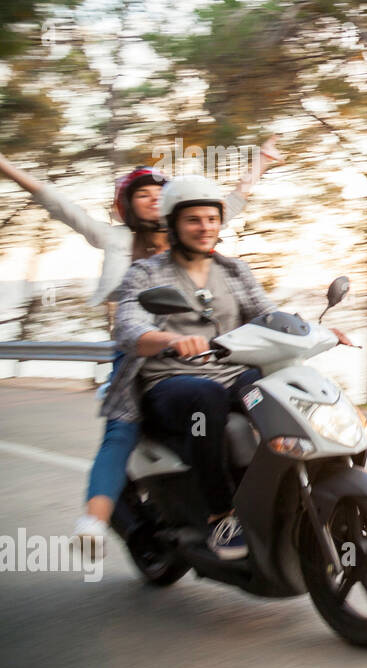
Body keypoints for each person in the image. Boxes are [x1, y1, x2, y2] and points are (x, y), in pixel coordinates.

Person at [0, 139, 281, 546]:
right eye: (142, 195)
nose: (153, 201)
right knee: (122, 430)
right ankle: (97, 521)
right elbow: (58, 203)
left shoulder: (204, 241)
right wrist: (7, 167)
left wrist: (261, 162)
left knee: (265, 386)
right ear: (127, 207)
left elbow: (226, 204)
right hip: (140, 352)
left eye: (159, 194)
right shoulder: (120, 244)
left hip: (209, 354)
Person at [110, 176, 351, 559]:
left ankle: (300, 485)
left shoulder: (234, 270)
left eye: (211, 218)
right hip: (172, 383)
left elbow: (267, 315)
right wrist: (172, 341)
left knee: (289, 387)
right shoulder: (147, 274)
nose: (205, 227)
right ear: (173, 224)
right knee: (205, 400)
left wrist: (316, 330)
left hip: (230, 373)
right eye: (194, 220)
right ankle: (220, 514)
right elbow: (127, 325)